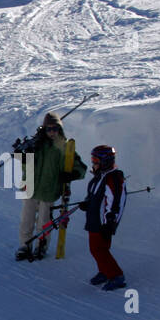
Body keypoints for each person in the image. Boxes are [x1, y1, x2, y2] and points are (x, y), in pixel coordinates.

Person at [17, 111, 86, 261]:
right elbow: (27, 167)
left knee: (44, 222)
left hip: (49, 190)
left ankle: (41, 247)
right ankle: (24, 246)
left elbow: (81, 168)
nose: (52, 132)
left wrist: (72, 174)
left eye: (55, 128)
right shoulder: (36, 144)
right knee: (26, 220)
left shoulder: (65, 146)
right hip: (30, 187)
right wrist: (22, 157)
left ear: (59, 129)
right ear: (44, 129)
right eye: (49, 129)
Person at [74, 144, 127, 291]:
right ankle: (104, 270)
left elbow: (115, 202)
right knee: (98, 248)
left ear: (105, 161)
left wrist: (110, 222)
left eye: (96, 160)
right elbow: (94, 195)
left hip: (103, 222)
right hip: (94, 218)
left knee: (98, 249)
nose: (93, 163)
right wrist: (87, 203)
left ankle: (116, 275)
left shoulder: (113, 178)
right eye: (92, 160)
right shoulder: (101, 176)